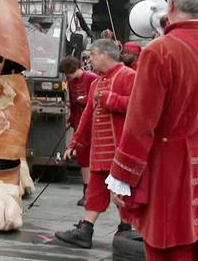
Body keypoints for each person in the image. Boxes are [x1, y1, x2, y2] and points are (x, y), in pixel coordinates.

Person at [107, 0, 198, 261]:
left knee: (167, 251)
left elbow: (141, 124)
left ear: (172, 4)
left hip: (170, 169)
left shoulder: (160, 51)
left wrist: (122, 177)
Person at [54, 39, 135, 249]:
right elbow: (87, 116)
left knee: (123, 192)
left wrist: (110, 99)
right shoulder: (96, 83)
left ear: (104, 55)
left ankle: (126, 229)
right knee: (95, 191)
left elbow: (139, 106)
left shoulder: (129, 76)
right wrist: (74, 143)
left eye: (92, 55)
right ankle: (86, 229)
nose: (90, 60)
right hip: (99, 151)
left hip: (120, 150)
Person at [58, 55, 98, 207]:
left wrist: (85, 101)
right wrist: (73, 120)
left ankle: (94, 191)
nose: (67, 77)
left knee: (94, 157)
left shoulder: (92, 78)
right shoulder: (71, 82)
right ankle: (87, 191)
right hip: (80, 124)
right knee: (83, 158)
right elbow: (74, 104)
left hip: (94, 124)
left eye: (68, 73)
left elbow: (97, 101)